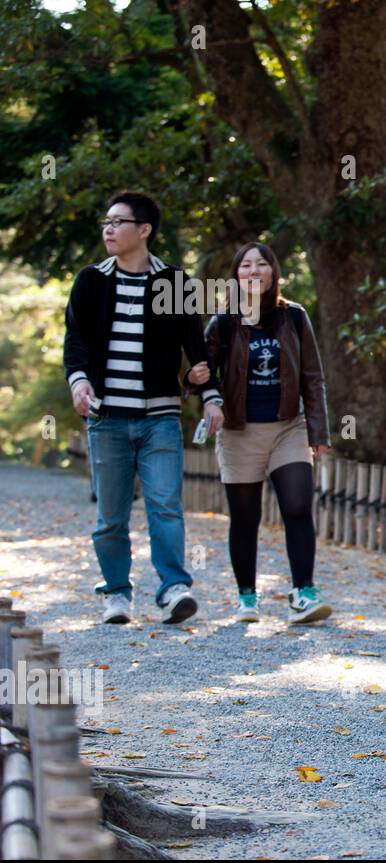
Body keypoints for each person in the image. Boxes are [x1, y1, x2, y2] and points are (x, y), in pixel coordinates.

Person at [63, 191, 222, 625]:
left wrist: (210, 396)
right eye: (106, 222)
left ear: (144, 230)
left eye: (118, 222)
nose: (108, 229)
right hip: (107, 418)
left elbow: (196, 345)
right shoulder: (91, 281)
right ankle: (116, 593)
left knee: (165, 506)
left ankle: (174, 588)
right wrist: (78, 382)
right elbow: (75, 342)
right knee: (110, 517)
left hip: (160, 418)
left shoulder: (173, 283)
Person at [201, 242, 332, 624]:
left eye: (262, 264)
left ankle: (303, 592)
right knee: (245, 518)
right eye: (245, 265)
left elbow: (313, 376)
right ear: (236, 274)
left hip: (288, 428)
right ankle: (246, 597)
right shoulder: (224, 321)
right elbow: (201, 373)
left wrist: (318, 429)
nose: (253, 271)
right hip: (240, 432)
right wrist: (204, 392)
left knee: (297, 506)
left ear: (274, 272)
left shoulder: (293, 317)